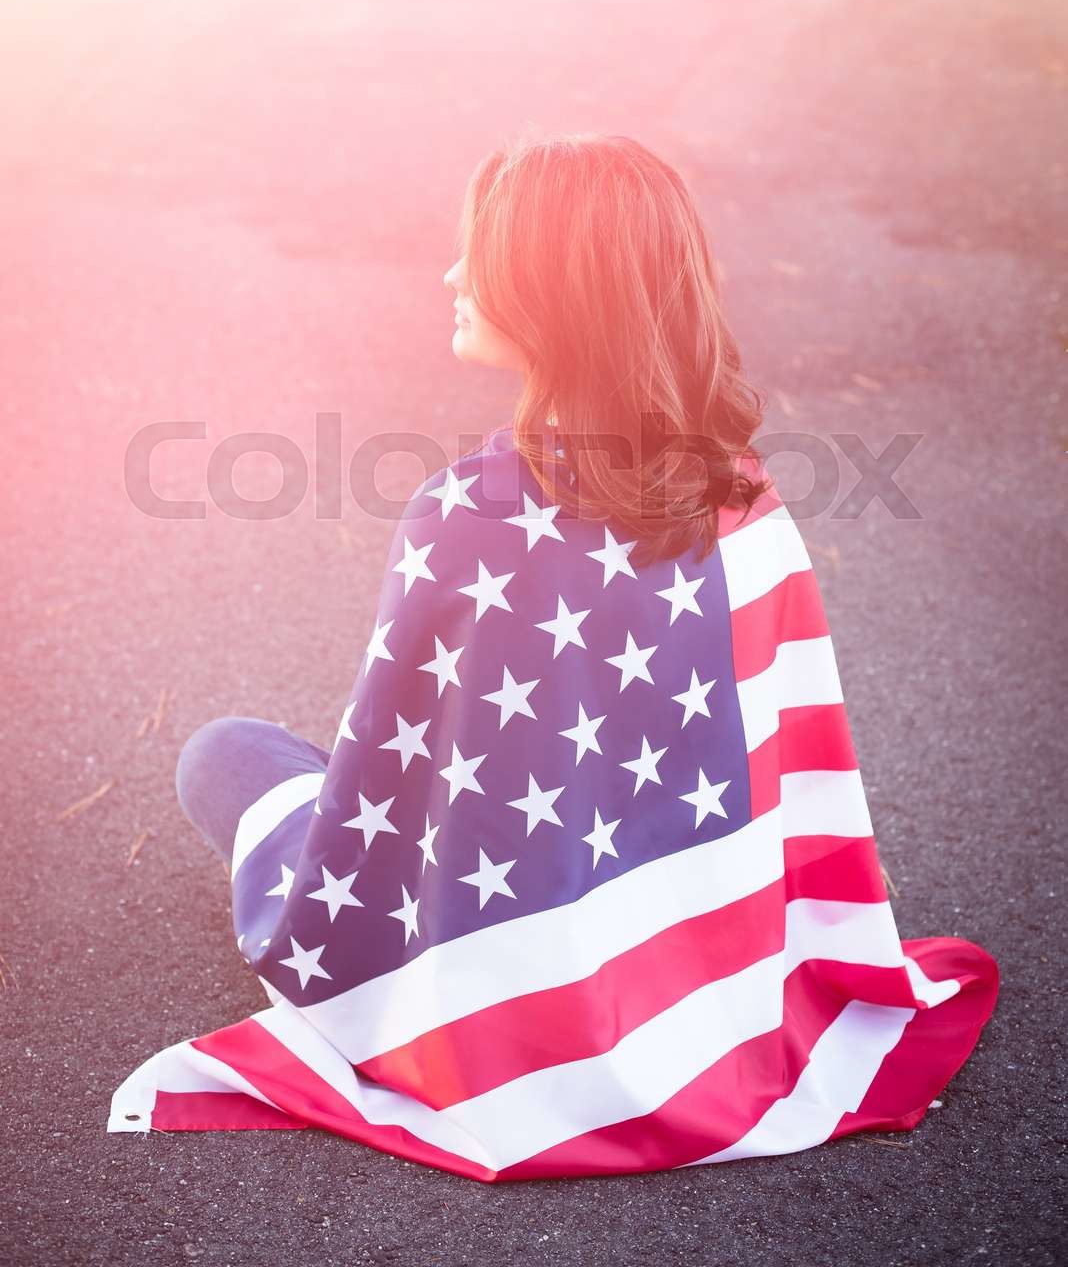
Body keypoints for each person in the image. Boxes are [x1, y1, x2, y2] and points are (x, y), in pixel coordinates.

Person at [111, 132, 999, 1178]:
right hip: (698, 942)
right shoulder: (746, 500)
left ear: (550, 291)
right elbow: (785, 766)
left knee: (224, 752)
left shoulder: (464, 517)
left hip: (493, 973)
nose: (449, 276)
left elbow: (381, 802)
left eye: (478, 255)